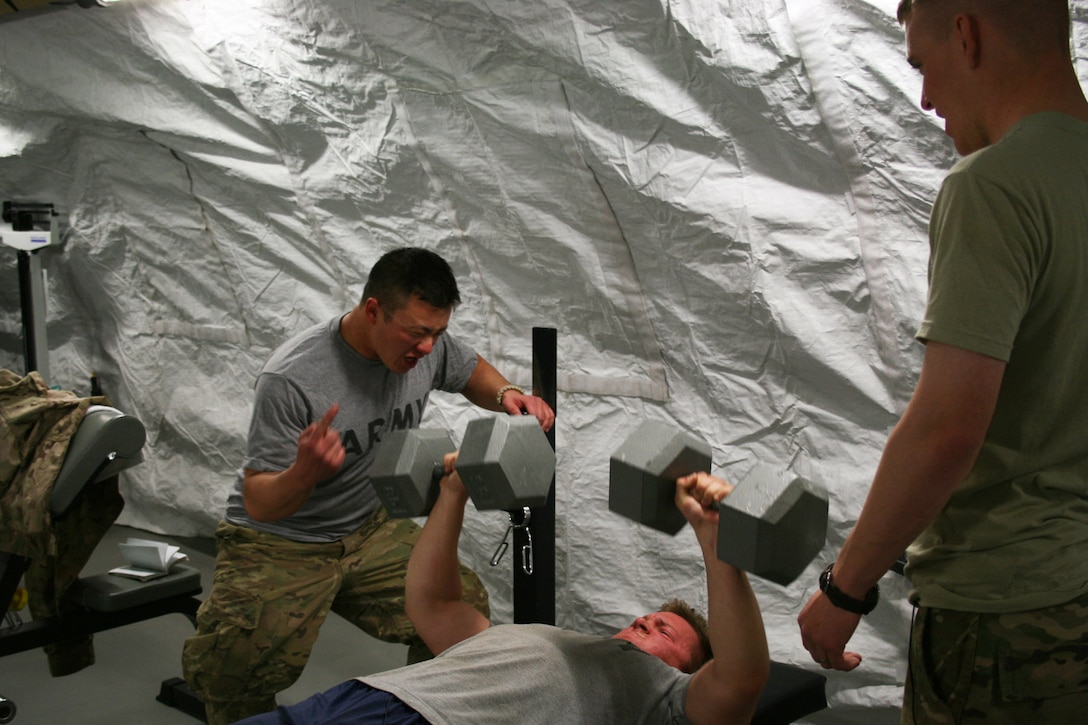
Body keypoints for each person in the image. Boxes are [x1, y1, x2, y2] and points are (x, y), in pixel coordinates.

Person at [797, 1, 1088, 722]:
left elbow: (947, 427)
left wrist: (845, 588)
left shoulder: (993, 186)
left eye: (923, 66)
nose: (926, 99)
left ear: (967, 32)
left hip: (1008, 623)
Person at [181, 247, 556, 725]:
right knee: (232, 671)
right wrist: (304, 473)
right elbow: (258, 503)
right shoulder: (293, 377)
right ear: (373, 310)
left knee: (460, 611)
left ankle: (427, 713)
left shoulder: (428, 347)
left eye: (437, 333)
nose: (427, 347)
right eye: (417, 333)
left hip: (369, 529)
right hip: (281, 542)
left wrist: (507, 395)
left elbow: (469, 368)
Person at [236, 455, 770, 725]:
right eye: (648, 616)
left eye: (666, 631)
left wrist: (714, 537)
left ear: (688, 668)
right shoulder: (546, 638)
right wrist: (453, 493)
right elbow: (433, 605)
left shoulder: (666, 699)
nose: (645, 622)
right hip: (362, 697)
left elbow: (742, 677)